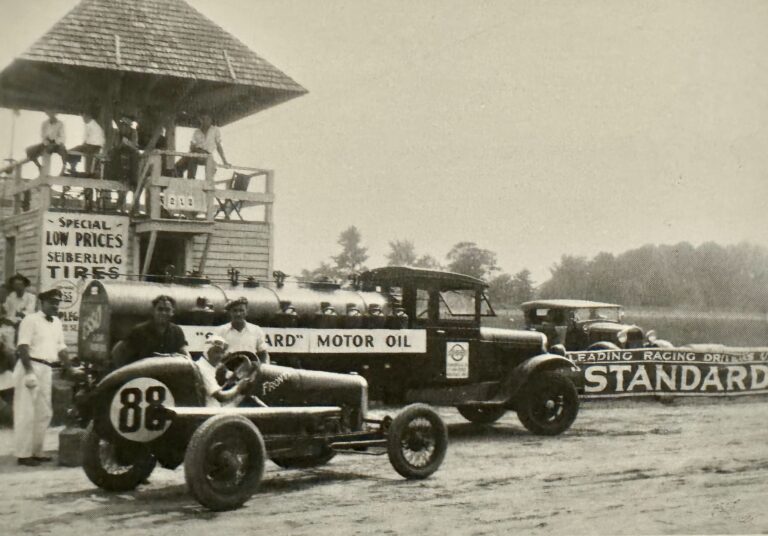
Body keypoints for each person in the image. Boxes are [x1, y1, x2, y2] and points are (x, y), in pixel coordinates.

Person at [13, 288, 70, 466]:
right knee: (26, 412)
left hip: (47, 369)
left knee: (44, 413)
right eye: (52, 302)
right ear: (42, 303)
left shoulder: (57, 322)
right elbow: (23, 347)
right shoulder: (30, 320)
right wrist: (29, 371)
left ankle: (37, 451)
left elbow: (61, 347)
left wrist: (70, 367)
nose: (55, 305)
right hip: (30, 366)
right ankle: (23, 454)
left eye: (57, 302)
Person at [111, 294, 189, 369]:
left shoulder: (177, 331)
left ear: (172, 312)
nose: (163, 313)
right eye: (160, 309)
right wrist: (123, 374)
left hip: (168, 376)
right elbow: (117, 352)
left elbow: (185, 353)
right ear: (153, 311)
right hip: (143, 376)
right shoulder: (139, 331)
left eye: (167, 310)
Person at [196, 335, 254, 407]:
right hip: (211, 411)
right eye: (216, 352)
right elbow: (221, 397)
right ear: (206, 351)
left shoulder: (206, 365)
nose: (220, 356)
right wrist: (239, 387)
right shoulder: (203, 368)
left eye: (222, 352)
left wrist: (231, 380)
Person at [214, 297, 270, 364]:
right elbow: (214, 354)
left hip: (251, 370)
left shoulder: (256, 330)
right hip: (228, 370)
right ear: (230, 312)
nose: (238, 314)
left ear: (246, 312)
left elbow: (263, 353)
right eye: (235, 311)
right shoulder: (220, 331)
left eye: (241, 310)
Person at [174, 113, 230, 179]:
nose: (205, 121)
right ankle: (184, 180)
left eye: (207, 119)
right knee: (179, 165)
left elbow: (219, 146)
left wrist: (224, 161)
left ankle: (191, 180)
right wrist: (196, 150)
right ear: (200, 120)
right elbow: (192, 146)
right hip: (196, 152)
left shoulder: (215, 130)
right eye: (203, 119)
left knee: (194, 157)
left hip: (208, 155)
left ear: (211, 120)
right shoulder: (197, 132)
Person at [26, 111, 67, 176]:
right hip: (47, 143)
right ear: (48, 114)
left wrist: (55, 142)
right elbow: (43, 136)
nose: (51, 115)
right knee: (29, 150)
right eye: (50, 113)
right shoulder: (44, 123)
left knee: (63, 150)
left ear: (55, 114)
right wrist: (46, 142)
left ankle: (64, 168)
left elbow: (62, 137)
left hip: (56, 144)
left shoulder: (60, 124)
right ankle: (39, 166)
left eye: (53, 113)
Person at [65, 110, 105, 177]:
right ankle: (73, 168)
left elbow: (98, 141)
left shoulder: (95, 126)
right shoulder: (87, 125)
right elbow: (86, 138)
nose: (83, 119)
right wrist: (83, 145)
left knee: (88, 153)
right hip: (88, 145)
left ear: (89, 117)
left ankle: (88, 172)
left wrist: (86, 145)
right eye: (83, 117)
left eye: (84, 117)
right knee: (72, 150)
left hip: (95, 146)